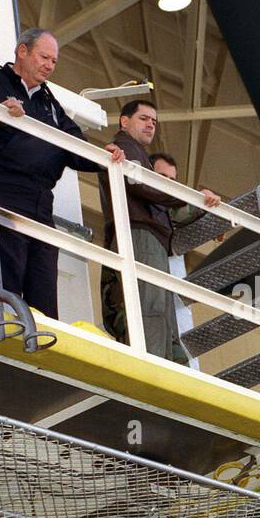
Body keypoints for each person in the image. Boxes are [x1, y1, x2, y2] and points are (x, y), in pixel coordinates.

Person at [0, 28, 124, 318]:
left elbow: (75, 146)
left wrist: (106, 156)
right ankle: (7, 338)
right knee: (8, 280)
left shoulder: (50, 103)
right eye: (44, 57)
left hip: (41, 200)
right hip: (2, 191)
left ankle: (38, 345)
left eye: (54, 61)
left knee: (43, 287)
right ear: (22, 51)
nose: (49, 66)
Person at [98, 103, 220, 361]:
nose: (151, 124)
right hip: (140, 234)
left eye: (154, 120)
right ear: (124, 121)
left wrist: (203, 209)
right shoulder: (126, 148)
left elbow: (166, 207)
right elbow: (145, 187)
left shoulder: (135, 152)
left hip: (148, 238)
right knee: (151, 309)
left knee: (160, 312)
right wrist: (190, 197)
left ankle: (163, 364)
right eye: (144, 118)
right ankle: (153, 364)